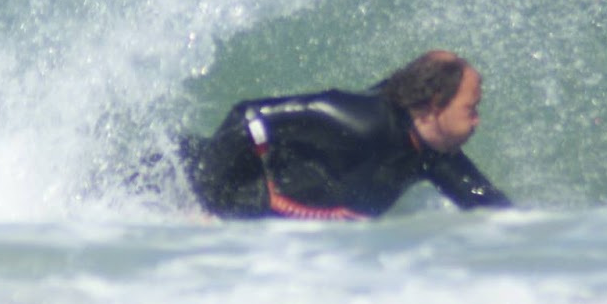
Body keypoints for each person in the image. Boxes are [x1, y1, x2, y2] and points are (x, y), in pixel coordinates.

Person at [174, 50, 510, 220]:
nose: (477, 121)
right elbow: (248, 118)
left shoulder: (432, 154)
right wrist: (206, 205)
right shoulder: (360, 120)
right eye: (471, 109)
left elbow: (492, 210)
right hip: (177, 181)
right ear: (437, 104)